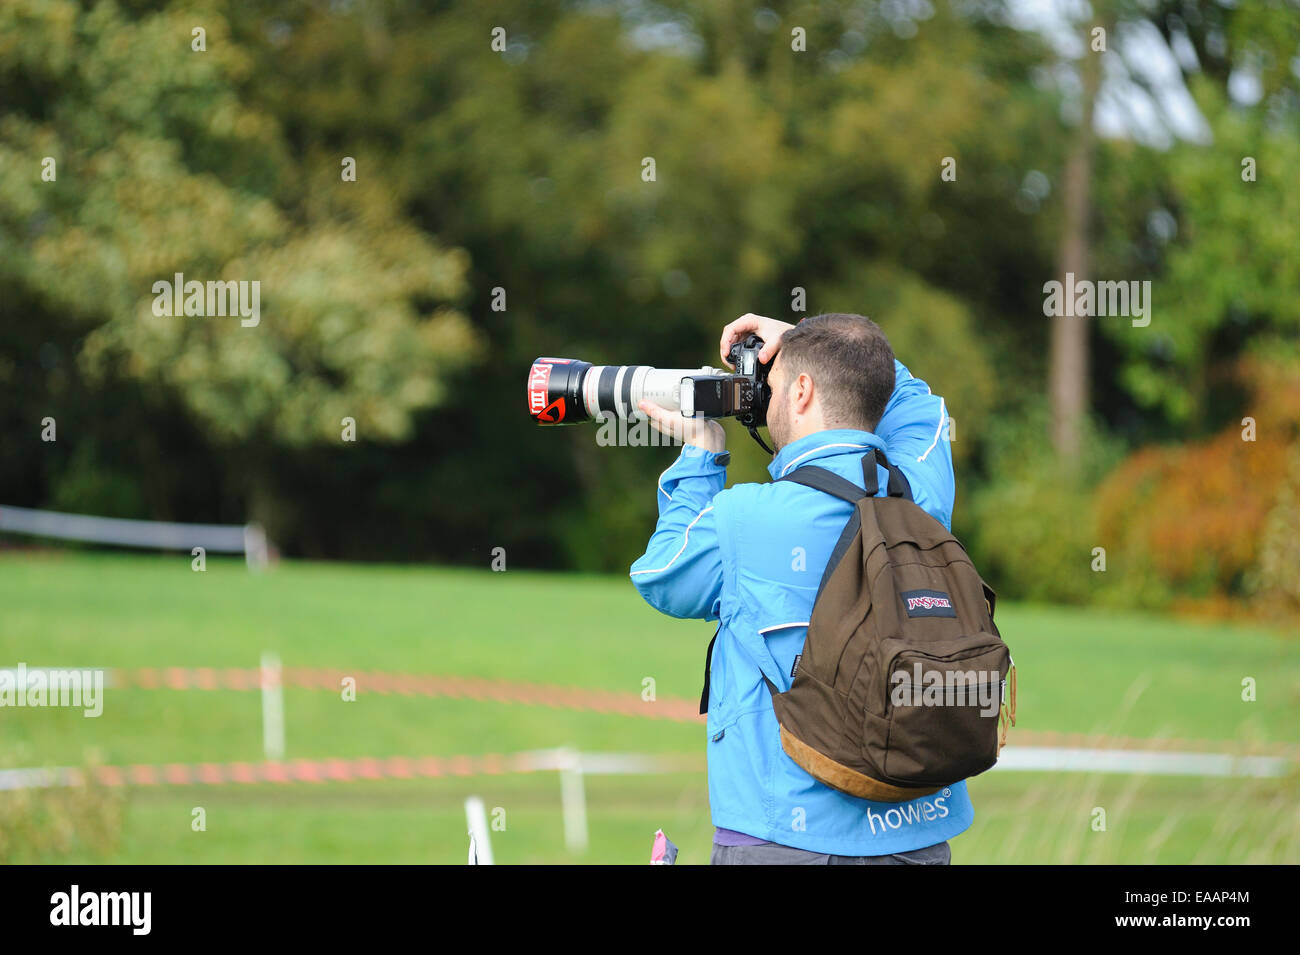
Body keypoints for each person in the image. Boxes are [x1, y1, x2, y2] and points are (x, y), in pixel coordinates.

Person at [630, 312, 965, 865]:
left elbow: (664, 574)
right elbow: (917, 402)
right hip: (917, 836)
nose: (763, 398)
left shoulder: (743, 518)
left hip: (783, 839)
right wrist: (815, 342)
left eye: (775, 383)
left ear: (803, 390)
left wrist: (700, 452)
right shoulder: (922, 490)